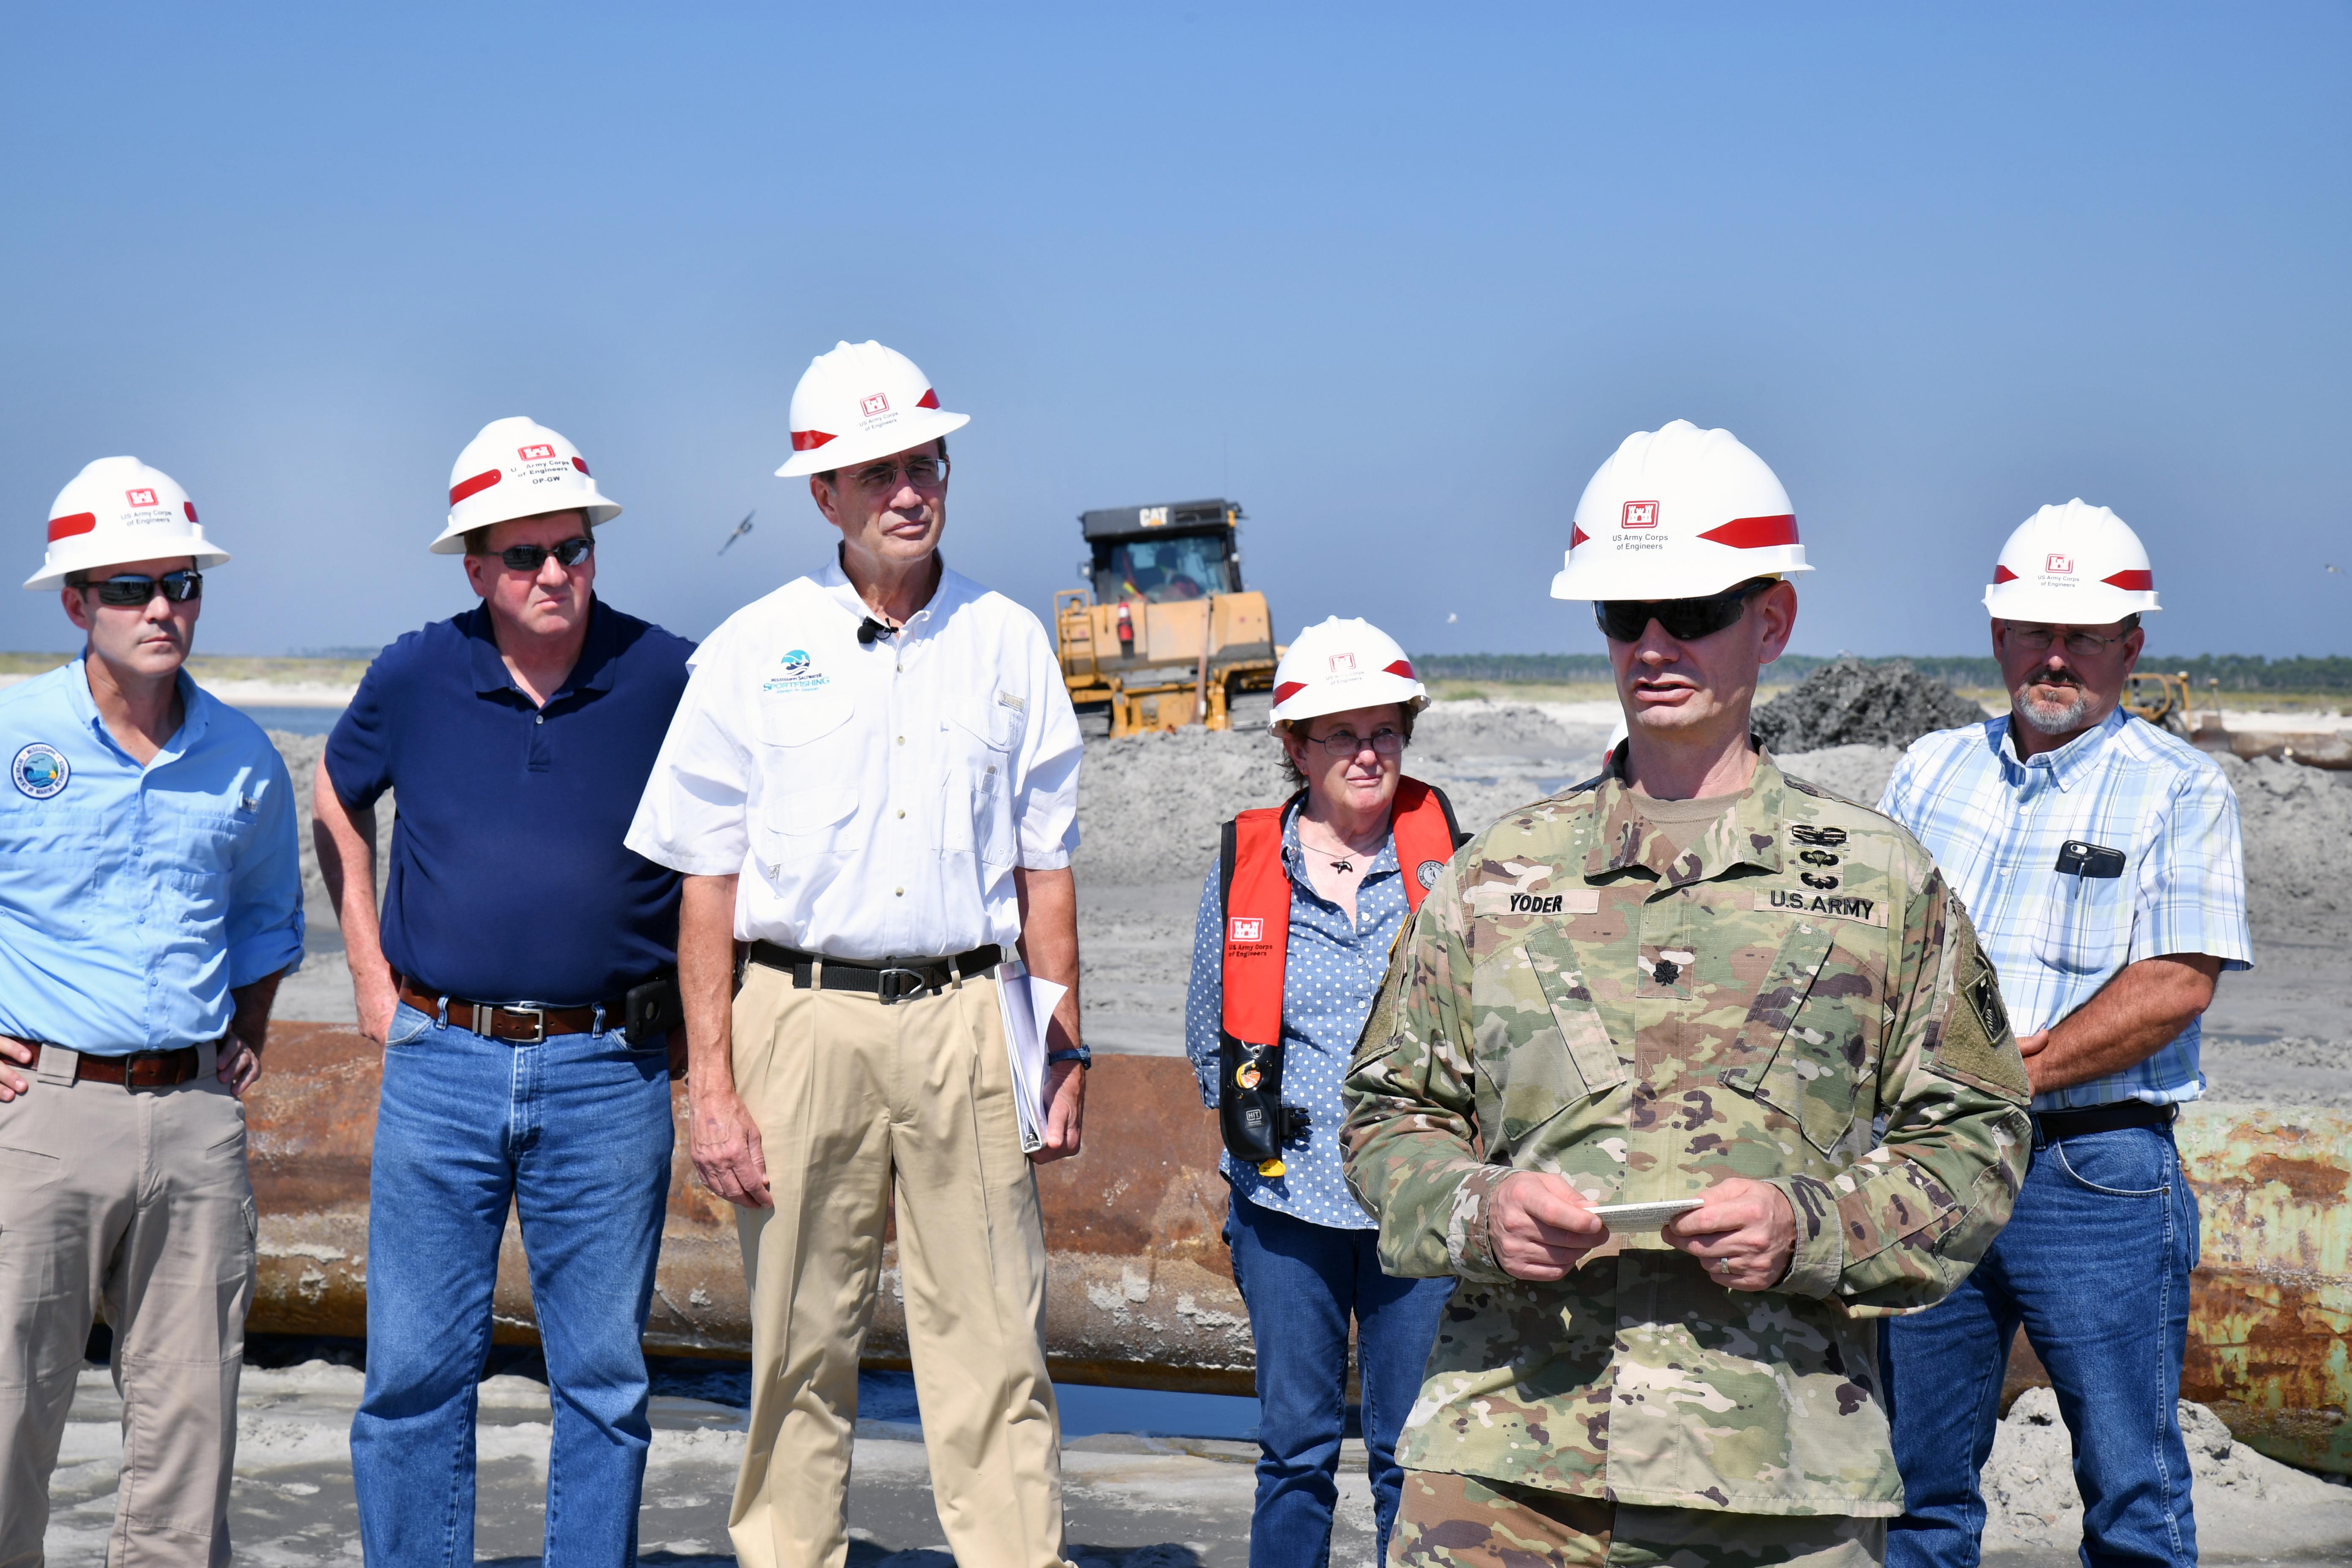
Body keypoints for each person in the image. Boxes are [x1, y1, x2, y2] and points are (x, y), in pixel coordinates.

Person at [1342, 419, 2035, 1568]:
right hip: (1508, 1471)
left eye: (1694, 611)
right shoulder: (1494, 876)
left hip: (1774, 1476)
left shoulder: (1879, 879)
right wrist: (1480, 1209)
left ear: (1772, 621)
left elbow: (1977, 1138)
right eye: (1625, 615)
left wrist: (1813, 1227)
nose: (1654, 644)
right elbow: (1386, 1117)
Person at [626, 339, 1089, 1568]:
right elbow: (705, 889)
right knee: (795, 1349)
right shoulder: (748, 650)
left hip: (967, 1021)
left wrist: (1060, 1044)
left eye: (924, 461)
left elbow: (1048, 868)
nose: (907, 488)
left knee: (996, 1347)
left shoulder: (1011, 643)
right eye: (874, 470)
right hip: (801, 1020)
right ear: (821, 494)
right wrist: (709, 1087)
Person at [313, 417, 694, 1566]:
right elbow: (337, 802)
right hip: (442, 1062)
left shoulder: (668, 671)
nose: (553, 576)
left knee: (603, 1384)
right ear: (474, 566)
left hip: (611, 1072)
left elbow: (734, 851)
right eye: (524, 556)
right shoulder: (416, 672)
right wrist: (372, 980)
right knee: (415, 1379)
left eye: (571, 550)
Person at [1877, 501, 2250, 1568]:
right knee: (1917, 1484)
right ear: (1997, 636)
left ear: (2132, 645)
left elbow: (2177, 982)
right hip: (1931, 1163)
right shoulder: (1930, 769)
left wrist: (2004, 1072)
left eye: (2085, 633)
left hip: (2096, 1170)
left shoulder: (2181, 789)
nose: (2056, 655)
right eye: (2036, 629)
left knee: (2132, 1486)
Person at [0, 457, 303, 1565]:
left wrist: (249, 1034)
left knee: (189, 1428)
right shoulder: (11, 731)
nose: (162, 607)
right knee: (8, 1415)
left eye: (179, 582)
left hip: (193, 1122)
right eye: (127, 587)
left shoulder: (242, 754)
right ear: (76, 602)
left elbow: (271, 921)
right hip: (40, 1115)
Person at [1184, 616, 1462, 1566]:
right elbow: (1206, 1031)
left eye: (1383, 729)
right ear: (1296, 746)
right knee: (1297, 1451)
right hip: (1286, 1204)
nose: (1366, 752)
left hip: (1415, 1203)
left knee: (1410, 1453)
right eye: (1340, 734)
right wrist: (1263, 1128)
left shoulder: (1452, 860)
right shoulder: (1248, 866)